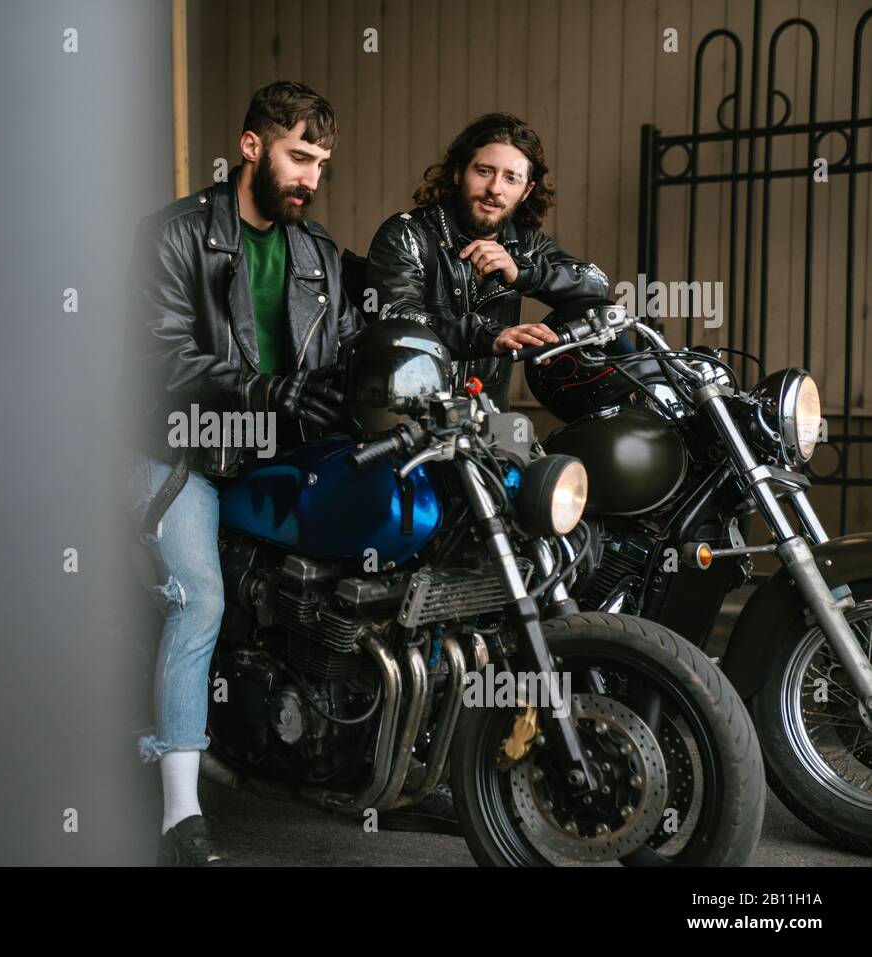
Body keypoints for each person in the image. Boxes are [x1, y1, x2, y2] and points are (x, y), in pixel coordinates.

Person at [123, 81, 361, 865]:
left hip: (273, 458)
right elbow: (162, 354)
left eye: (321, 161)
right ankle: (182, 816)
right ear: (252, 146)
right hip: (180, 453)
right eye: (299, 155)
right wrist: (264, 389)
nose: (310, 176)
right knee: (201, 601)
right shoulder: (174, 235)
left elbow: (355, 342)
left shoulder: (318, 252)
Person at [365, 112, 610, 414]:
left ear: (526, 191)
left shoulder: (528, 243)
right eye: (484, 171)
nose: (495, 188)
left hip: (490, 427)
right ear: (458, 173)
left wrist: (522, 273)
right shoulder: (407, 233)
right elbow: (396, 318)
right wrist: (489, 335)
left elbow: (595, 282)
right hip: (413, 424)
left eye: (511, 178)